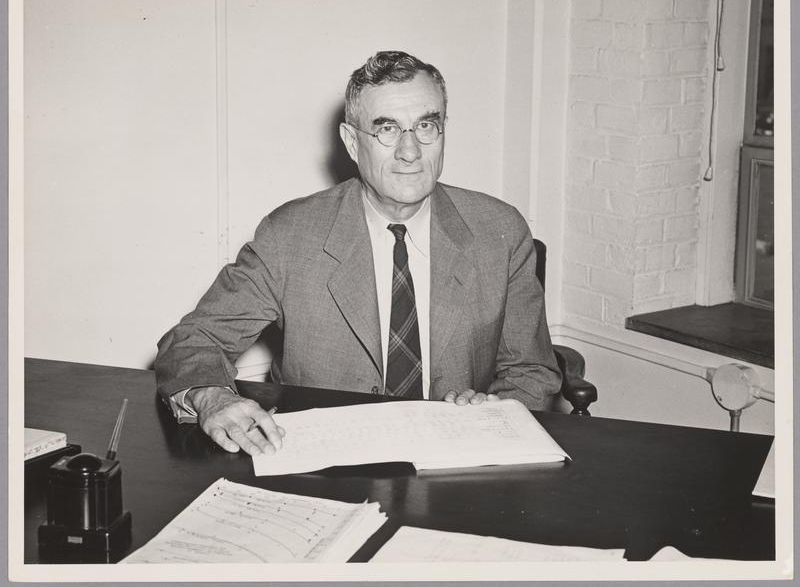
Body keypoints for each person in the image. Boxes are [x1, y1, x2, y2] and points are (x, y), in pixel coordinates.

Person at [155, 50, 561, 457]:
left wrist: (494, 415)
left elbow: (530, 371)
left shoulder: (499, 231)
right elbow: (194, 341)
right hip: (327, 464)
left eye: (425, 126)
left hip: (455, 462)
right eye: (386, 129)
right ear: (352, 141)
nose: (410, 151)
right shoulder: (291, 236)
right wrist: (212, 398)